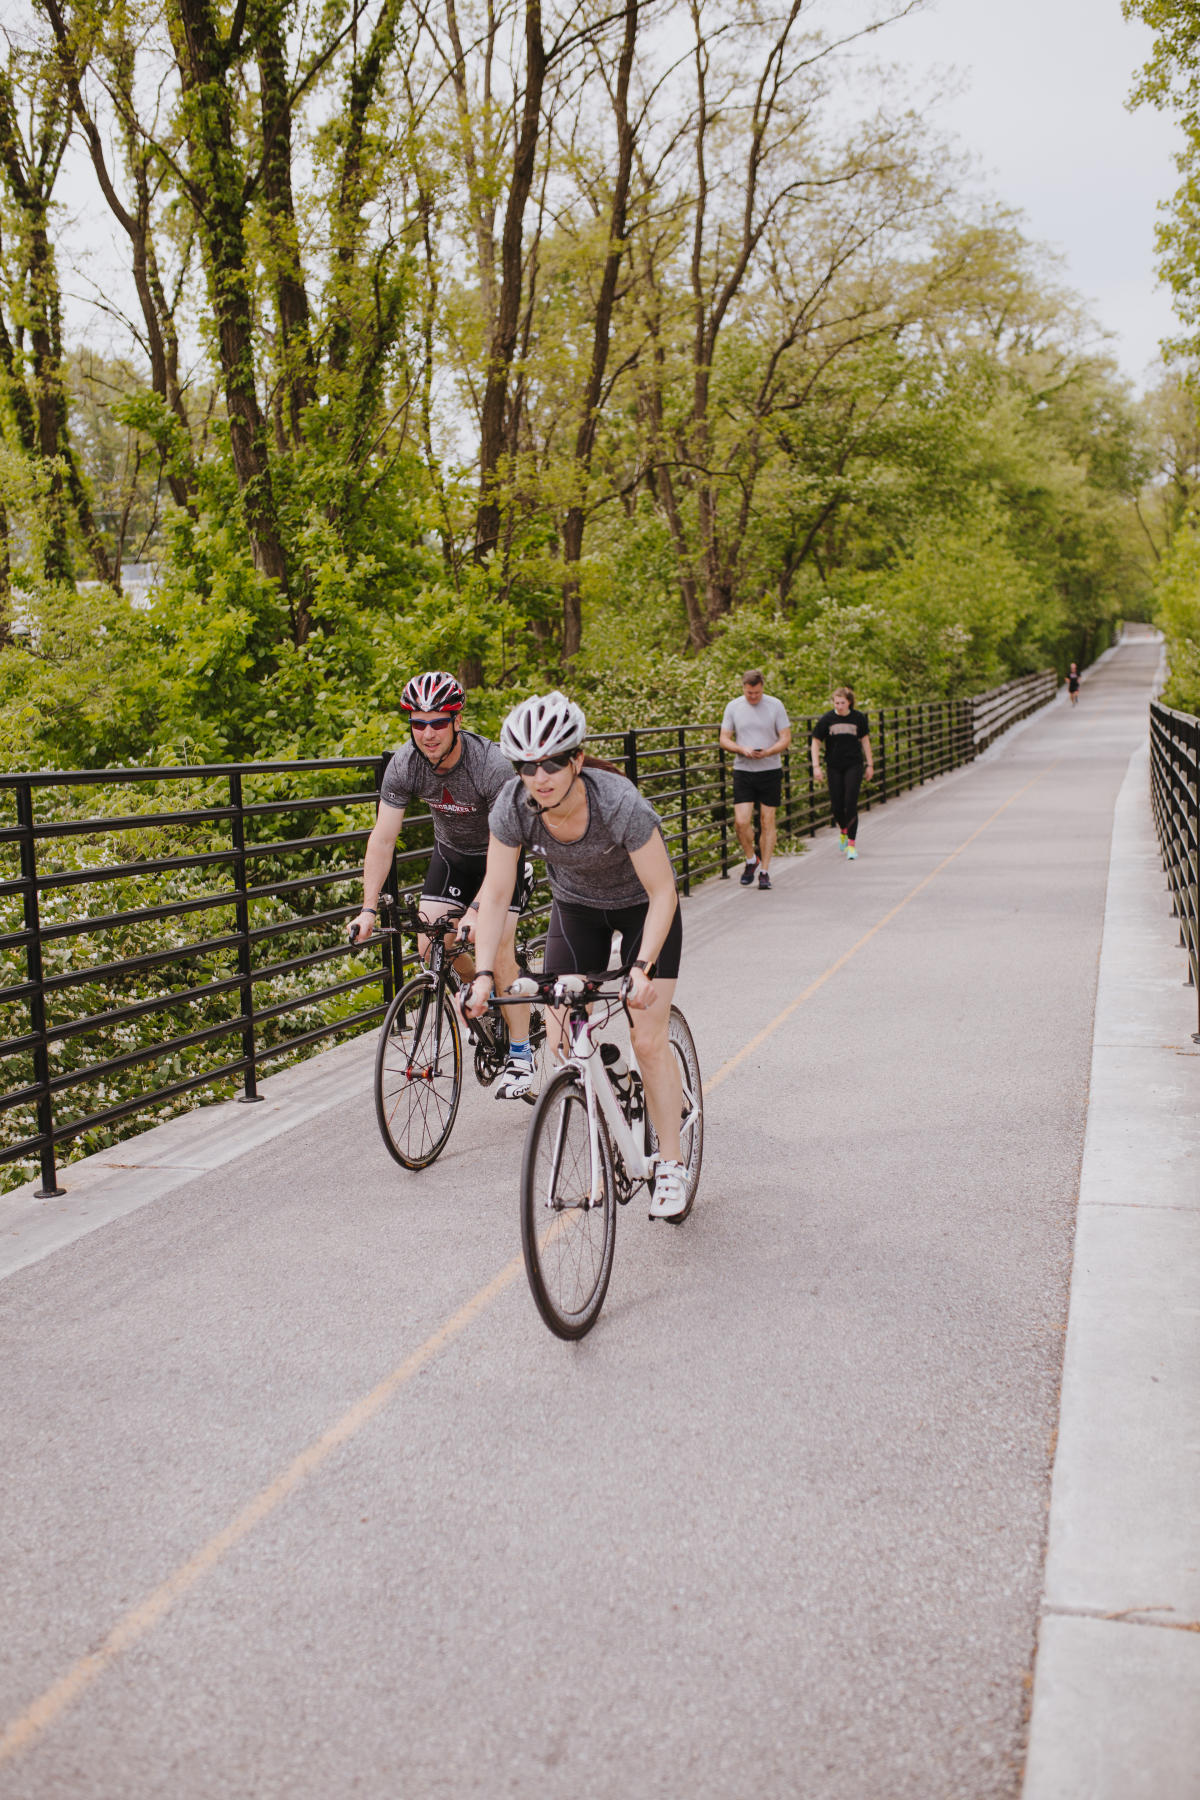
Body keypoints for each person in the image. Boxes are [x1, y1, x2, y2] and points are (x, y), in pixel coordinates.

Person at [463, 691, 690, 1220]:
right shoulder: (513, 807)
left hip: (643, 909)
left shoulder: (618, 803)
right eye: (526, 766)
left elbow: (664, 892)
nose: (539, 777)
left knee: (646, 1036)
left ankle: (671, 1164)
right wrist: (484, 975)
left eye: (552, 763)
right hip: (576, 910)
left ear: (577, 760)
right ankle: (613, 1080)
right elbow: (495, 894)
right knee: (563, 1035)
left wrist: (642, 967)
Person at [347, 670, 535, 1099]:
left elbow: (506, 843)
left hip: (502, 855)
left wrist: (477, 910)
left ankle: (521, 1053)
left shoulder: (490, 765)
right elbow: (383, 838)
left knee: (495, 945)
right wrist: (368, 908)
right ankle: (475, 993)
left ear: (456, 720)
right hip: (453, 857)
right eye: (418, 723)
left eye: (437, 722)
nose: (427, 733)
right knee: (429, 943)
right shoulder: (405, 764)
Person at [718, 669, 792, 890]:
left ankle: (765, 872)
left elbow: (786, 738)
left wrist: (768, 751)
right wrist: (741, 749)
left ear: (762, 687)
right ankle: (751, 859)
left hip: (770, 770)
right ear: (743, 688)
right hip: (744, 769)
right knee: (741, 822)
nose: (753, 697)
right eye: (749, 693)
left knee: (767, 821)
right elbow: (724, 739)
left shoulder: (775, 705)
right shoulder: (733, 706)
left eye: (757, 693)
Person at [810, 686, 874, 861]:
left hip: (854, 764)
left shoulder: (858, 718)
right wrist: (816, 766)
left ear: (849, 702)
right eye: (836, 703)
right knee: (837, 805)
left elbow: (865, 741)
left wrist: (870, 764)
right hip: (834, 766)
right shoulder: (827, 719)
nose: (839, 706)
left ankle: (852, 844)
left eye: (842, 703)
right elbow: (815, 741)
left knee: (850, 803)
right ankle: (843, 830)